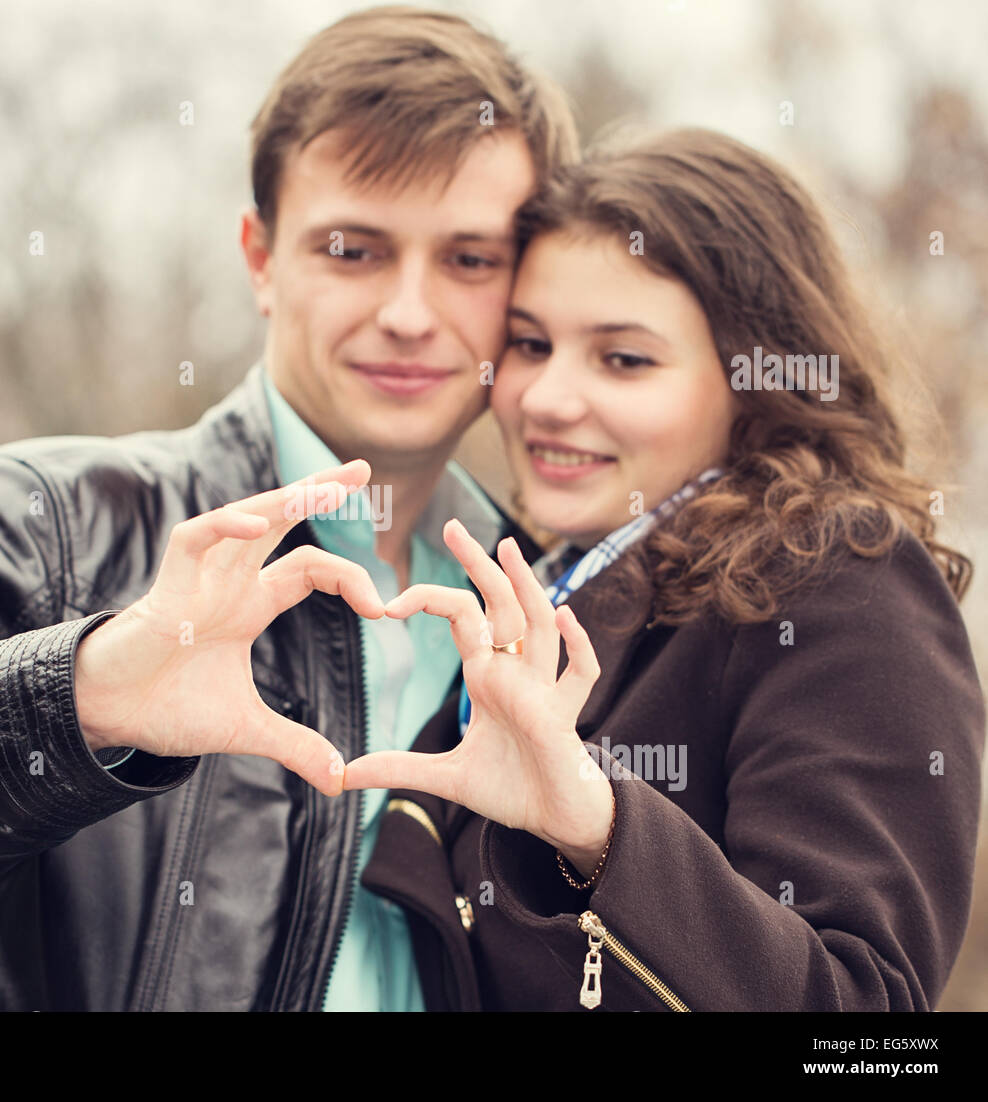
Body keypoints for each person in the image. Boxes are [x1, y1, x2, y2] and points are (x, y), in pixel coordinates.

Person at [0, 7, 577, 1010]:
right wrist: (84, 696)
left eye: (468, 259)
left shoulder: (557, 602)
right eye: (352, 249)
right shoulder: (48, 520)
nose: (410, 311)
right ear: (260, 257)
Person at [347, 127, 985, 1011]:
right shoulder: (536, 587)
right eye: (530, 344)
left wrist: (598, 827)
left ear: (753, 378)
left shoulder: (841, 577)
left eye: (624, 359)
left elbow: (865, 1022)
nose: (547, 399)